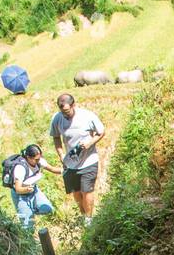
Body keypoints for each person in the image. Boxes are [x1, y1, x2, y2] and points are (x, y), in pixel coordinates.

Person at [50, 93, 105, 226]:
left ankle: (89, 219)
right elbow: (56, 138)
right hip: (70, 163)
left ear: (73, 105)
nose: (65, 114)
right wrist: (62, 155)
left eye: (67, 111)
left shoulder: (87, 116)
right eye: (62, 111)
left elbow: (101, 132)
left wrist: (90, 143)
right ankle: (83, 215)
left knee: (87, 190)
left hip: (89, 160)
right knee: (76, 192)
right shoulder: (57, 119)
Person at [8, 143, 60, 229]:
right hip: (21, 196)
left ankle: (30, 211)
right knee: (27, 227)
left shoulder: (39, 161)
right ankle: (26, 214)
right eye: (36, 159)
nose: (38, 161)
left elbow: (52, 169)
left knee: (47, 209)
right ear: (28, 157)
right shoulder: (20, 168)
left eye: (39, 158)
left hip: (33, 191)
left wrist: (65, 170)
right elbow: (18, 189)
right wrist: (26, 189)